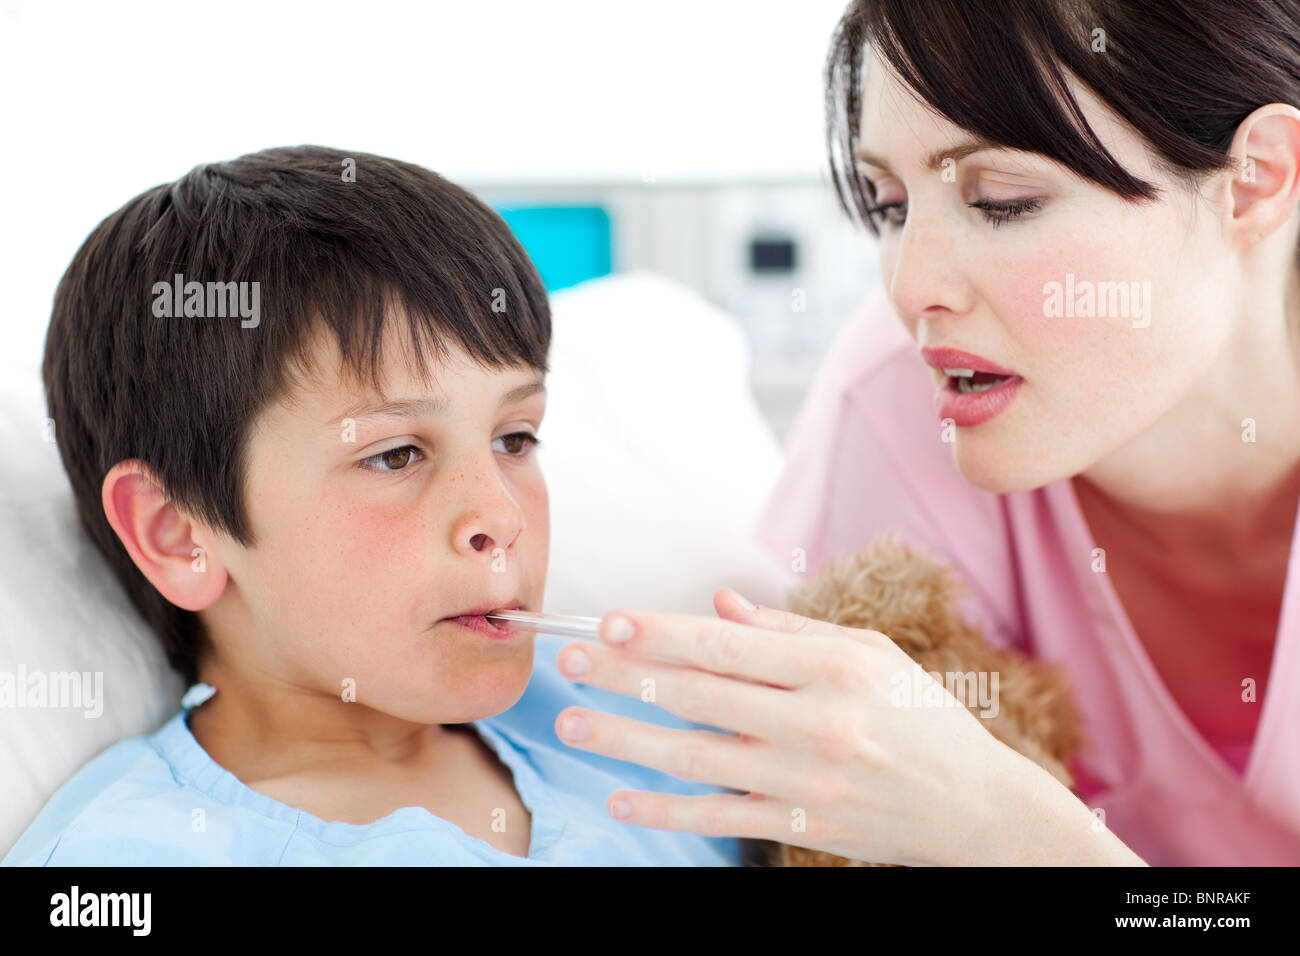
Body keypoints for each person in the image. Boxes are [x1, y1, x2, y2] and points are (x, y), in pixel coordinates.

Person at [545, 0, 1300, 865]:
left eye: (1002, 201)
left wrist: (1021, 839)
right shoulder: (904, 398)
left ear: (1255, 179)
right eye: (890, 207)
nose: (911, 289)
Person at [2, 145, 743, 866]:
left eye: (515, 438)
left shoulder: (647, 728)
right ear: (177, 533)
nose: (501, 518)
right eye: (395, 455)